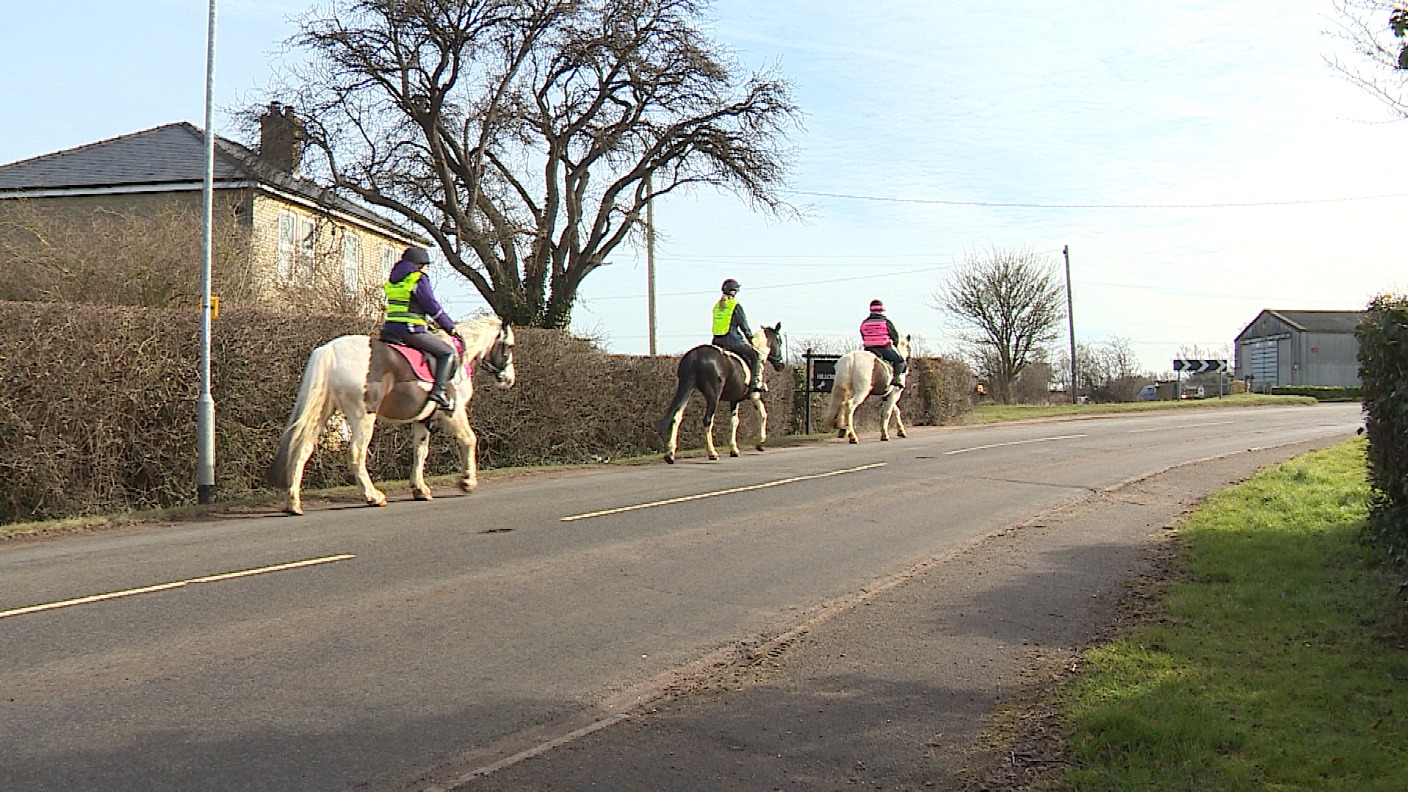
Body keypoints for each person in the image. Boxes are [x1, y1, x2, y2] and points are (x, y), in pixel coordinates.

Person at [381, 246, 459, 410]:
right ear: (419, 264)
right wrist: (450, 327)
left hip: (390, 330)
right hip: (411, 331)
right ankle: (439, 392)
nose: (427, 269)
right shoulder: (418, 278)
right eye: (426, 266)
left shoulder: (394, 279)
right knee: (448, 353)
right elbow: (431, 306)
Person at [711, 278, 767, 393]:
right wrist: (751, 339)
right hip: (733, 341)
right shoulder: (735, 306)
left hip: (717, 341)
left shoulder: (717, 306)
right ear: (734, 292)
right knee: (755, 356)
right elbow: (744, 326)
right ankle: (755, 384)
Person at [861, 299, 907, 388]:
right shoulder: (885, 322)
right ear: (881, 310)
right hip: (883, 348)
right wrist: (895, 343)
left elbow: (863, 334)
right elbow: (895, 336)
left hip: (869, 349)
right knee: (900, 361)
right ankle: (896, 378)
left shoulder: (864, 323)